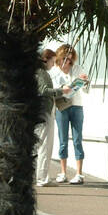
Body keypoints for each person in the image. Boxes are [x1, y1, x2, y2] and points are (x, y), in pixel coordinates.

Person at [50, 43, 91, 184]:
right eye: (66, 59)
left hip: (76, 106)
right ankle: (63, 172)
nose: (68, 62)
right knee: (62, 140)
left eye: (71, 59)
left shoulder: (77, 69)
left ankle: (79, 173)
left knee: (77, 139)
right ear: (60, 58)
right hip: (61, 107)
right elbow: (52, 89)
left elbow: (85, 89)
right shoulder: (55, 71)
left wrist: (85, 82)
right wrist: (63, 88)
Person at [35, 49, 59, 186]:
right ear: (46, 59)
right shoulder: (42, 73)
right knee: (44, 145)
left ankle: (40, 177)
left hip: (42, 111)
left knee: (40, 144)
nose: (53, 65)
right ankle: (42, 178)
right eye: (53, 61)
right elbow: (43, 90)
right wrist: (61, 91)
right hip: (44, 111)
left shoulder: (39, 72)